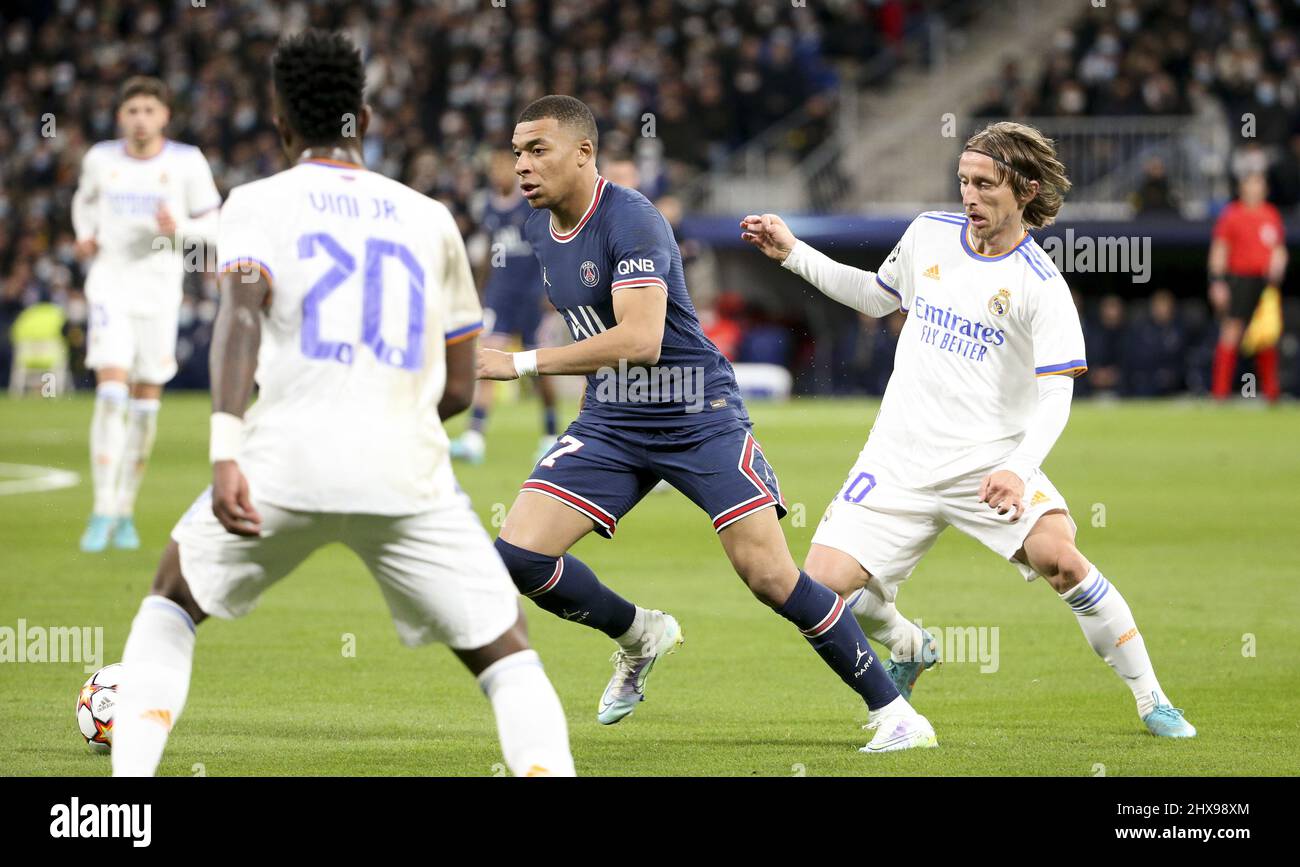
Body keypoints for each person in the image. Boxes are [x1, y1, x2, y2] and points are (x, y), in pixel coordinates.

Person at [109, 30, 574, 778]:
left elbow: (240, 317)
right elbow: (460, 384)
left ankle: (125, 803)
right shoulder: (429, 217)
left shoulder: (255, 202)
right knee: (505, 653)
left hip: (280, 462)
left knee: (171, 600)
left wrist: (227, 446)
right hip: (405, 470)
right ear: (364, 113)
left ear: (281, 121)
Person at [478, 94, 937, 753]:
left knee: (769, 576)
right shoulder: (534, 230)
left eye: (537, 149)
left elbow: (641, 338)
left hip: (696, 412)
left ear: (584, 152)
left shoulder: (632, 219)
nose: (522, 164)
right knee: (518, 555)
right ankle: (640, 633)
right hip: (612, 418)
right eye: (518, 150)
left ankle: (896, 714)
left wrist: (519, 364)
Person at [741, 121, 1196, 738]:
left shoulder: (1042, 286)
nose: (970, 197)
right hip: (899, 457)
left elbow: (1057, 392)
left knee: (1061, 560)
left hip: (989, 464)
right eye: (964, 182)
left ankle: (1151, 698)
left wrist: (1019, 468)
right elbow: (877, 297)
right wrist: (794, 252)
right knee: (818, 592)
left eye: (985, 185)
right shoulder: (929, 235)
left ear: (1026, 191)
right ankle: (908, 643)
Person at [71, 76, 221, 551]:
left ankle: (125, 509)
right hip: (110, 286)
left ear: (165, 117)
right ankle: (102, 509)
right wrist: (85, 233)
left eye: (149, 110)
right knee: (112, 393)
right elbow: (83, 201)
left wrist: (179, 230)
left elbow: (215, 227)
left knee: (144, 403)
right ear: (120, 116)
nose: (140, 118)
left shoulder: (186, 162)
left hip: (159, 293)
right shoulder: (100, 160)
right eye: (132, 109)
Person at [450, 150, 560, 465]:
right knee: (487, 356)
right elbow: (488, 251)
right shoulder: (488, 208)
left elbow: (548, 248)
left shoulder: (531, 205)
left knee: (539, 367)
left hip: (531, 295)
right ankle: (474, 436)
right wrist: (481, 290)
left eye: (503, 168)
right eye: (494, 168)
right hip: (500, 295)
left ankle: (550, 432)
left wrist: (550, 289)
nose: (499, 174)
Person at [1208, 172, 1287, 402]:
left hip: (1265, 283)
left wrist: (1279, 264)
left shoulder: (1271, 214)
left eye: (1259, 184)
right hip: (1239, 280)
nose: (1255, 189)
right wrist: (1217, 281)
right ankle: (1220, 394)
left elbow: (1278, 248)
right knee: (1232, 332)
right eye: (1251, 184)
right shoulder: (1232, 215)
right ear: (1242, 188)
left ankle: (1272, 394)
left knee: (1267, 334)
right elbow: (1219, 249)